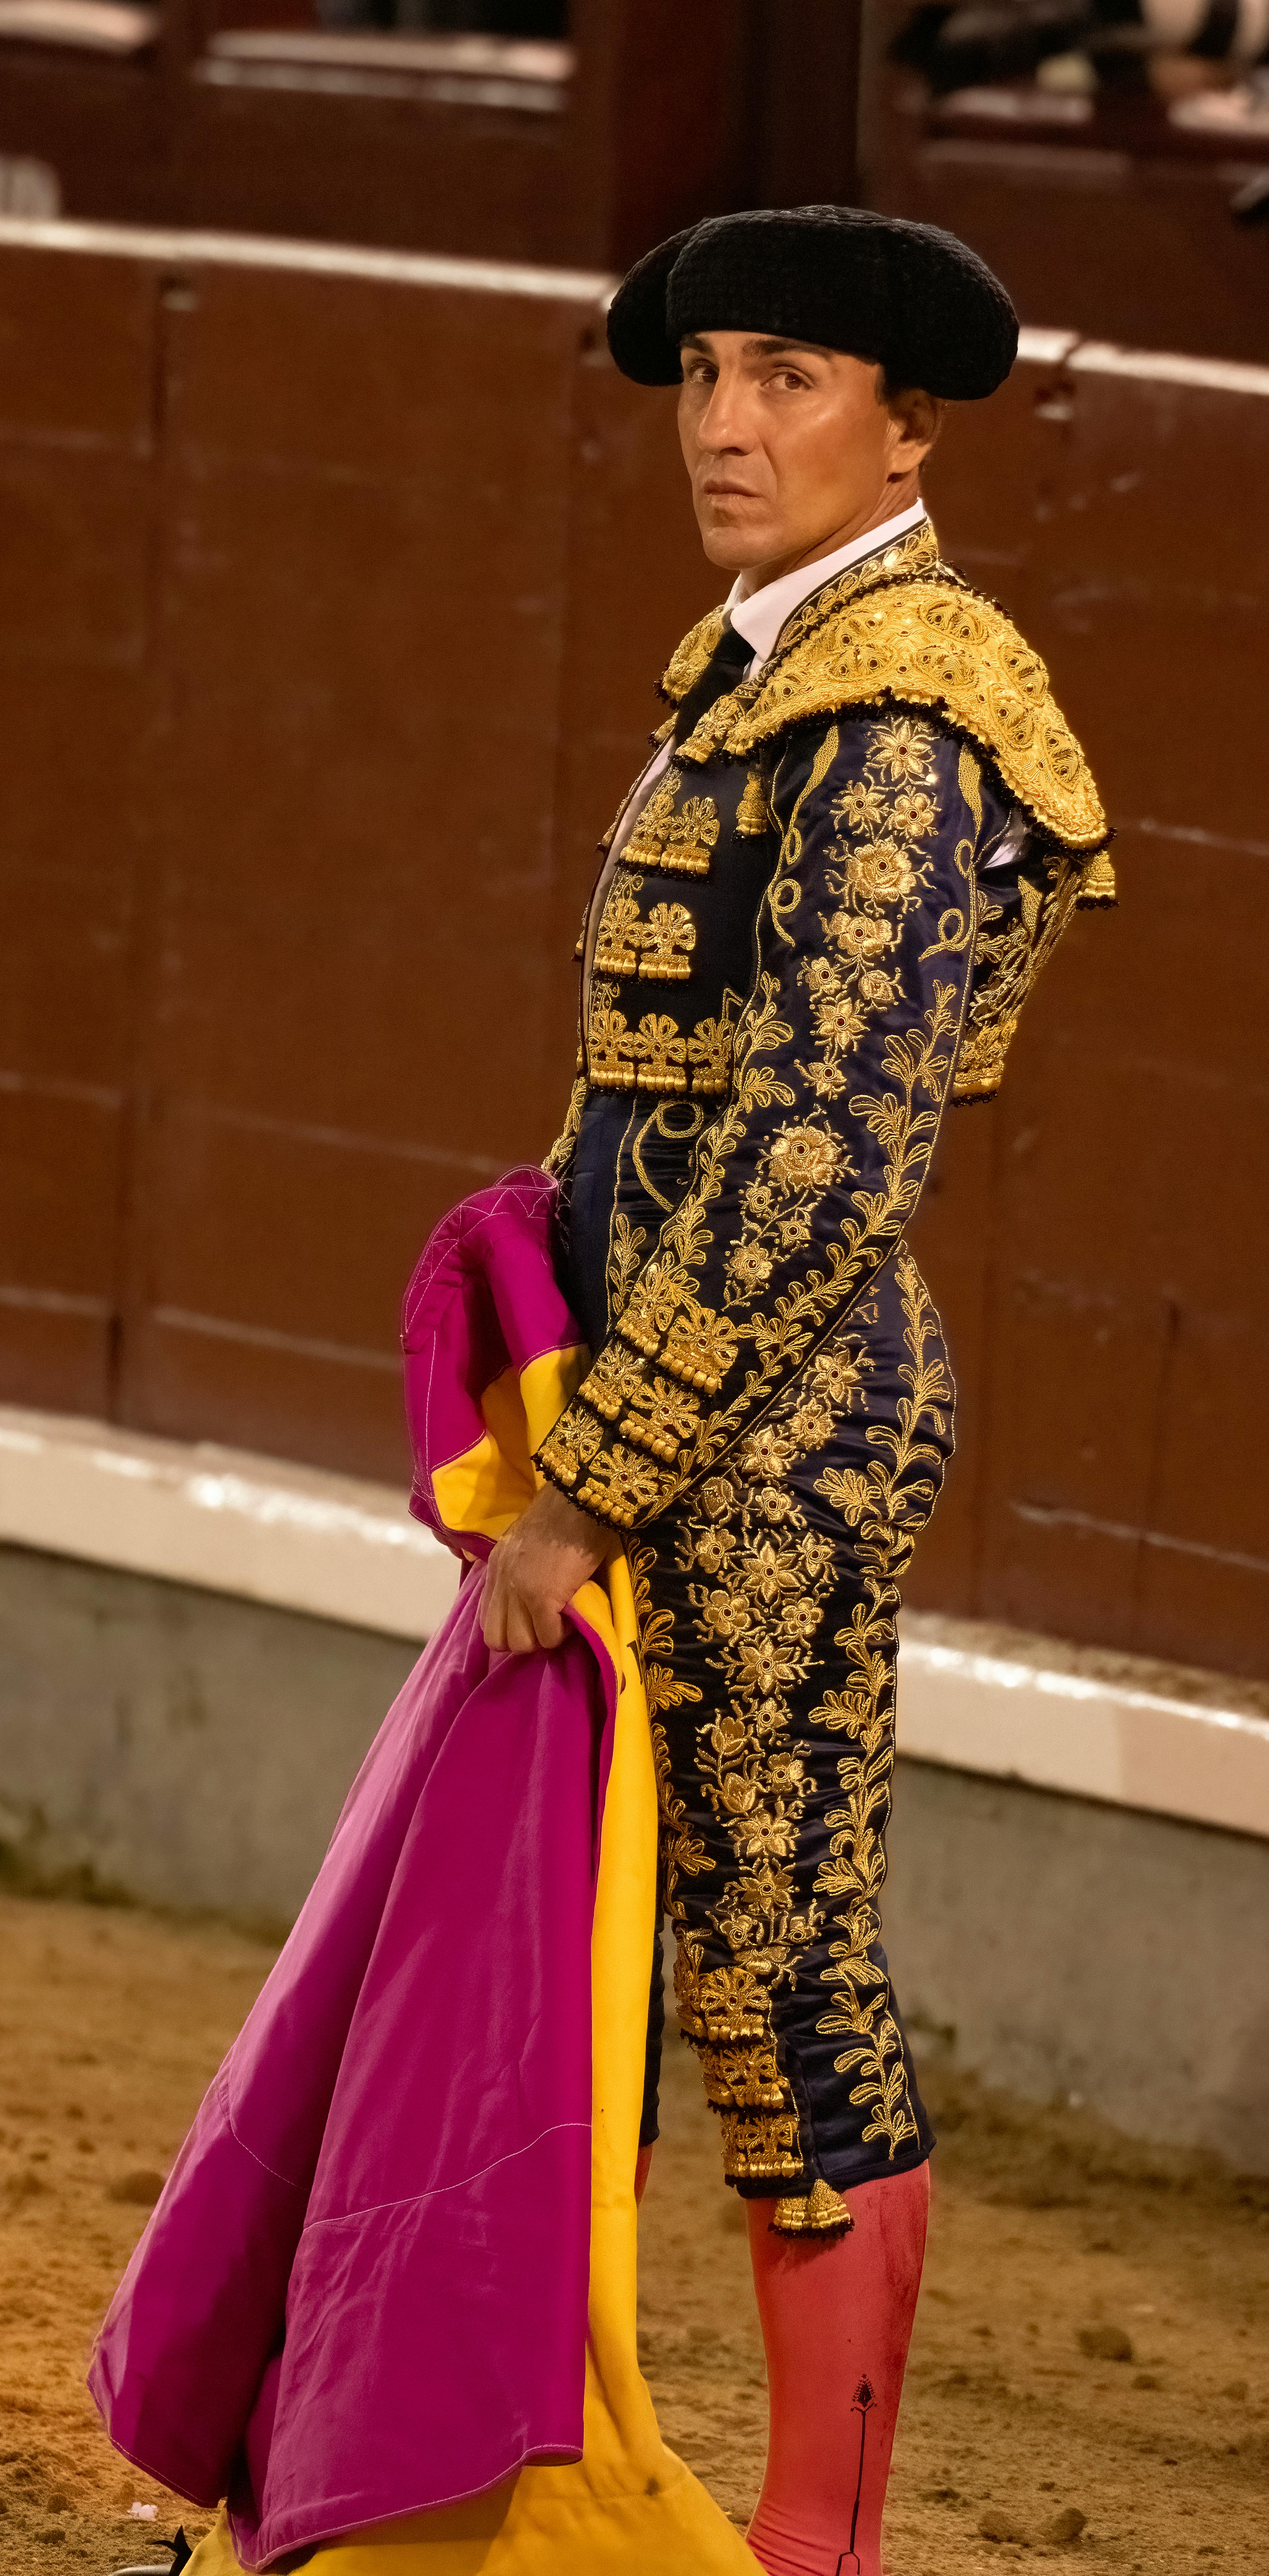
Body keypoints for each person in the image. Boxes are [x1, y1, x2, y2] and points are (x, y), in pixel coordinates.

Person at [481, 202, 1111, 2576]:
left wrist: (599, 1480)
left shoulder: (898, 696)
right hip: (672, 1402)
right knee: (612, 1947)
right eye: (702, 376)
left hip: (769, 1435)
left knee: (765, 1964)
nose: (726, 426)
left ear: (905, 422)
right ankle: (563, 2473)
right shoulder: (764, 673)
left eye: (786, 381)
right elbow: (655, 1099)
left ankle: (810, 2545)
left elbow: (827, 1140)